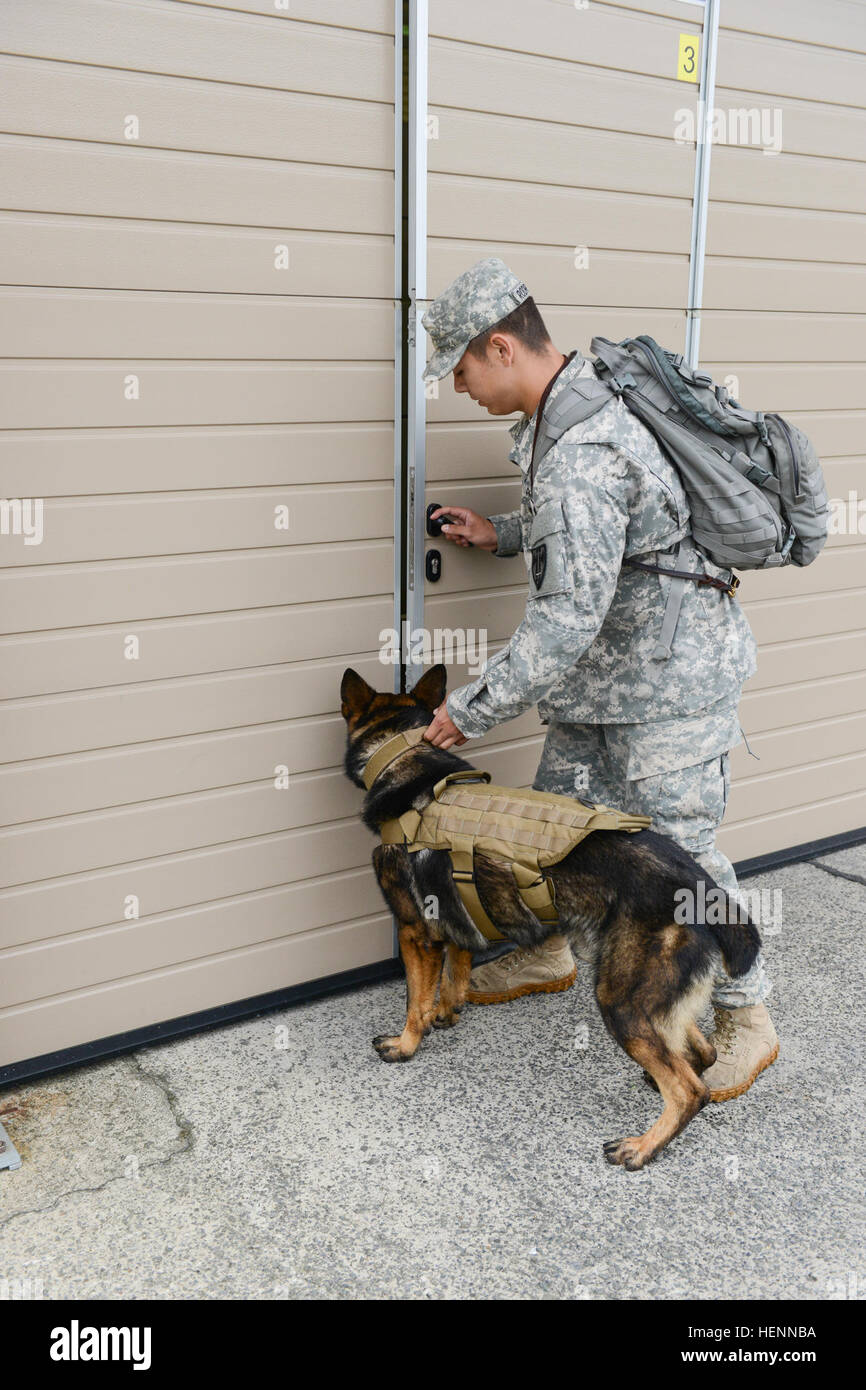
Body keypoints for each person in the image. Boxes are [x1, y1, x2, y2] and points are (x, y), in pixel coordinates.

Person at [418, 256, 778, 1103]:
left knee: (683, 858)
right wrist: (502, 534)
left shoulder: (582, 445)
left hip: (668, 686)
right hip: (604, 685)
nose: (458, 388)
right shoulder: (573, 415)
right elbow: (603, 537)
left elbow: (567, 616)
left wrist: (469, 711)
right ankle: (550, 951)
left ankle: (747, 1014)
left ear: (501, 347)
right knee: (561, 830)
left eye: (461, 369)